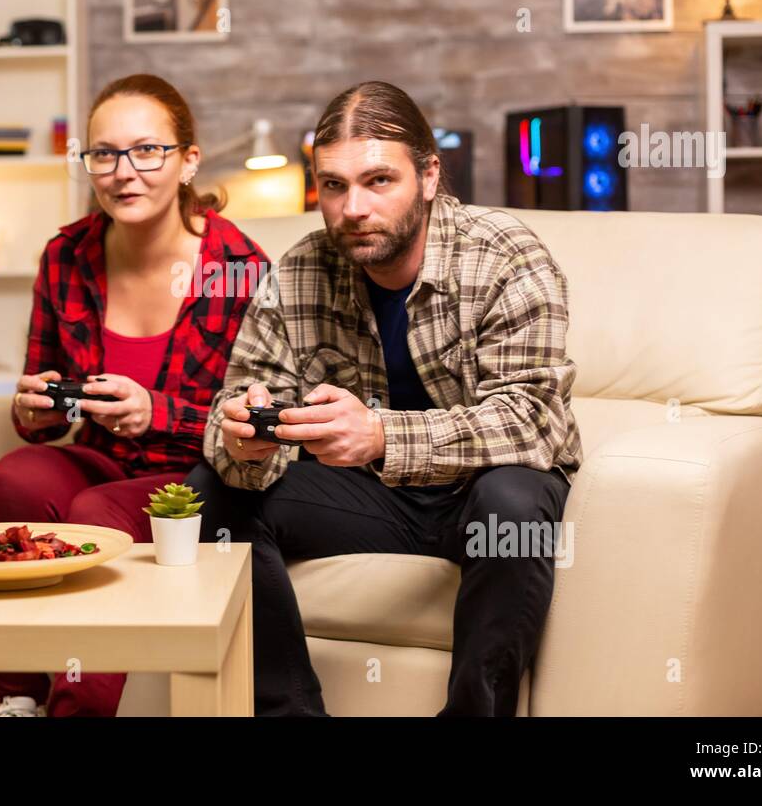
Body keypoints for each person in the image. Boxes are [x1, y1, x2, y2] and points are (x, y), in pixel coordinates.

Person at [187, 80, 583, 717]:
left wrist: (380, 435)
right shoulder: (300, 271)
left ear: (429, 176)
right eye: (335, 186)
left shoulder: (505, 256)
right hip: (375, 500)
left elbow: (532, 421)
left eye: (378, 181)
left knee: (511, 499)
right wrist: (242, 438)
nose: (353, 208)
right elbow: (236, 400)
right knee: (211, 493)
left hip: (478, 497)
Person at [0, 74, 269, 717]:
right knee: (13, 482)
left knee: (95, 508)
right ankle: (17, 699)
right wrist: (34, 407)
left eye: (147, 151)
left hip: (198, 476)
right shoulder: (66, 256)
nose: (123, 172)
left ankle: (76, 712)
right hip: (102, 457)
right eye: (103, 154)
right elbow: (45, 415)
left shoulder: (240, 267)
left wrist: (153, 411)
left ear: (188, 160)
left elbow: (257, 431)